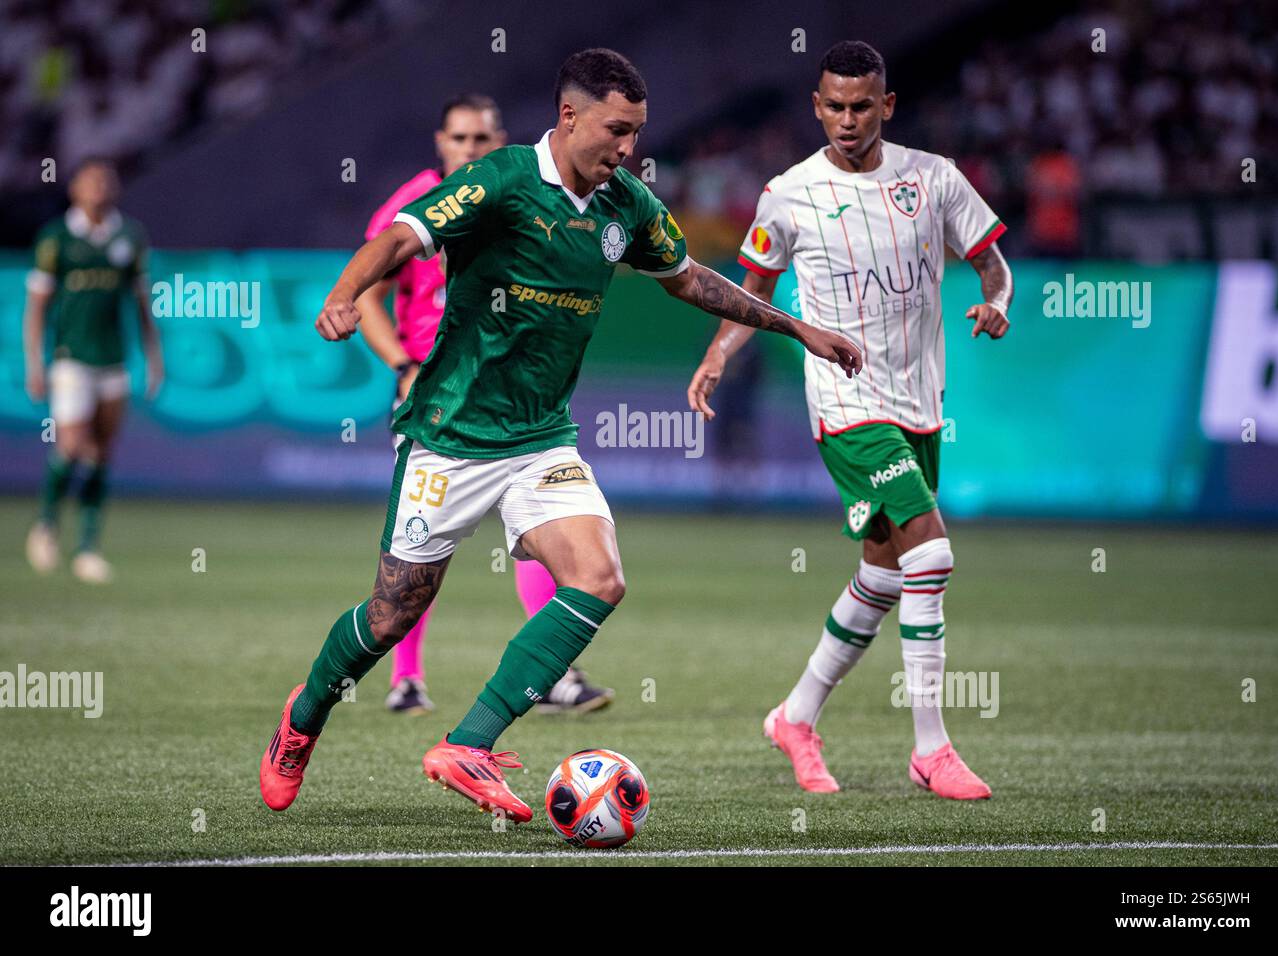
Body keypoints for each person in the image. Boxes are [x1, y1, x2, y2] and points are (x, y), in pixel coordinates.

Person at [260, 47, 861, 821]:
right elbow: (401, 240)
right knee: (390, 615)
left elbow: (689, 280)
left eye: (638, 133)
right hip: (449, 432)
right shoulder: (502, 179)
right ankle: (301, 721)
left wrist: (796, 326)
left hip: (540, 439)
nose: (629, 148)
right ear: (569, 117)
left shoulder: (627, 206)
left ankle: (468, 744)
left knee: (601, 578)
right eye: (618, 129)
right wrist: (347, 293)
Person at [688, 41, 1014, 800]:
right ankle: (931, 748)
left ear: (886, 105)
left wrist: (997, 302)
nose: (845, 119)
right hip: (844, 401)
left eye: (861, 106)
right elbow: (756, 290)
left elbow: (993, 263)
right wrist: (718, 353)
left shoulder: (934, 179)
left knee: (883, 570)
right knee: (929, 557)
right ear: (816, 105)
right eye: (832, 106)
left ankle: (796, 717)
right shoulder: (788, 193)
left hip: (920, 400)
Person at [358, 94, 613, 716]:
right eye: (459, 139)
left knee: (538, 531)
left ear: (500, 141)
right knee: (422, 553)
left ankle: (553, 673)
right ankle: (407, 679)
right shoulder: (412, 204)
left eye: (481, 140)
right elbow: (368, 290)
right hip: (441, 399)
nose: (470, 150)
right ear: (440, 142)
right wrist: (403, 364)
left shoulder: (517, 193)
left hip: (520, 404)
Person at [23, 157, 164, 584]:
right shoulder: (57, 238)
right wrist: (35, 361)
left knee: (101, 451)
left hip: (113, 359)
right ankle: (47, 525)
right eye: (92, 181)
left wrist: (153, 358)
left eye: (107, 180)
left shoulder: (129, 236)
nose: (100, 187)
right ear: (75, 189)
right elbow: (37, 307)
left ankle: (87, 547)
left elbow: (142, 304)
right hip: (71, 357)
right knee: (70, 445)